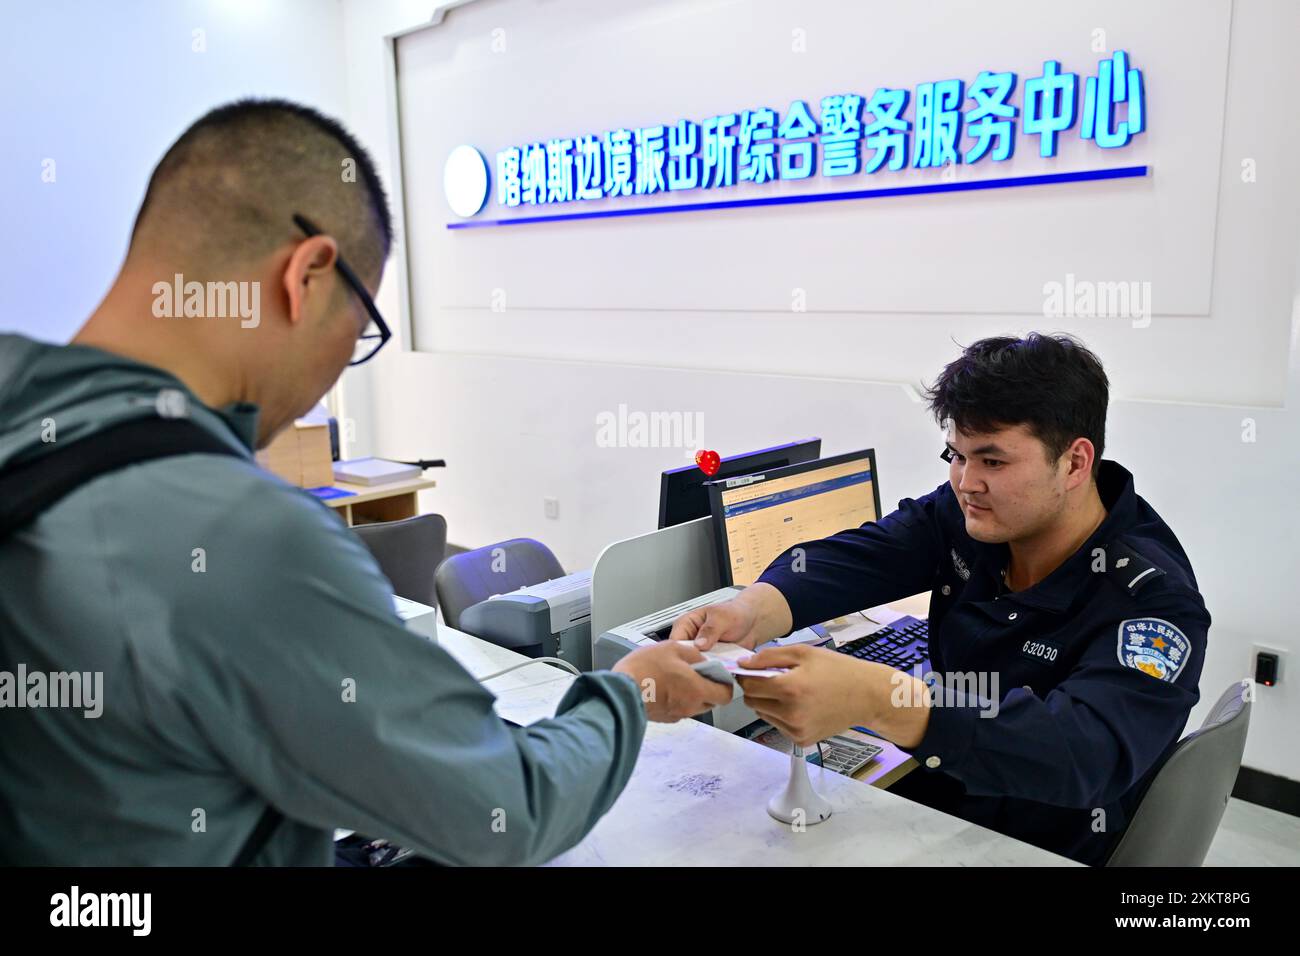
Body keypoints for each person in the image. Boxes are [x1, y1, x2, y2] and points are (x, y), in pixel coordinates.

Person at [0, 98, 730, 865]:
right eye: (356, 337)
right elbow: (506, 809)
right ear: (308, 274)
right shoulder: (239, 532)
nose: (320, 390)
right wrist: (628, 694)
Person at [672, 334, 1210, 865]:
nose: (965, 482)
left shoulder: (1152, 600)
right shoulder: (974, 515)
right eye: (956, 455)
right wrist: (754, 608)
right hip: (947, 791)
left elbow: (1085, 753)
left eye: (993, 462)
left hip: (1034, 837)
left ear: (1073, 463)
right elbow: (865, 555)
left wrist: (887, 701)